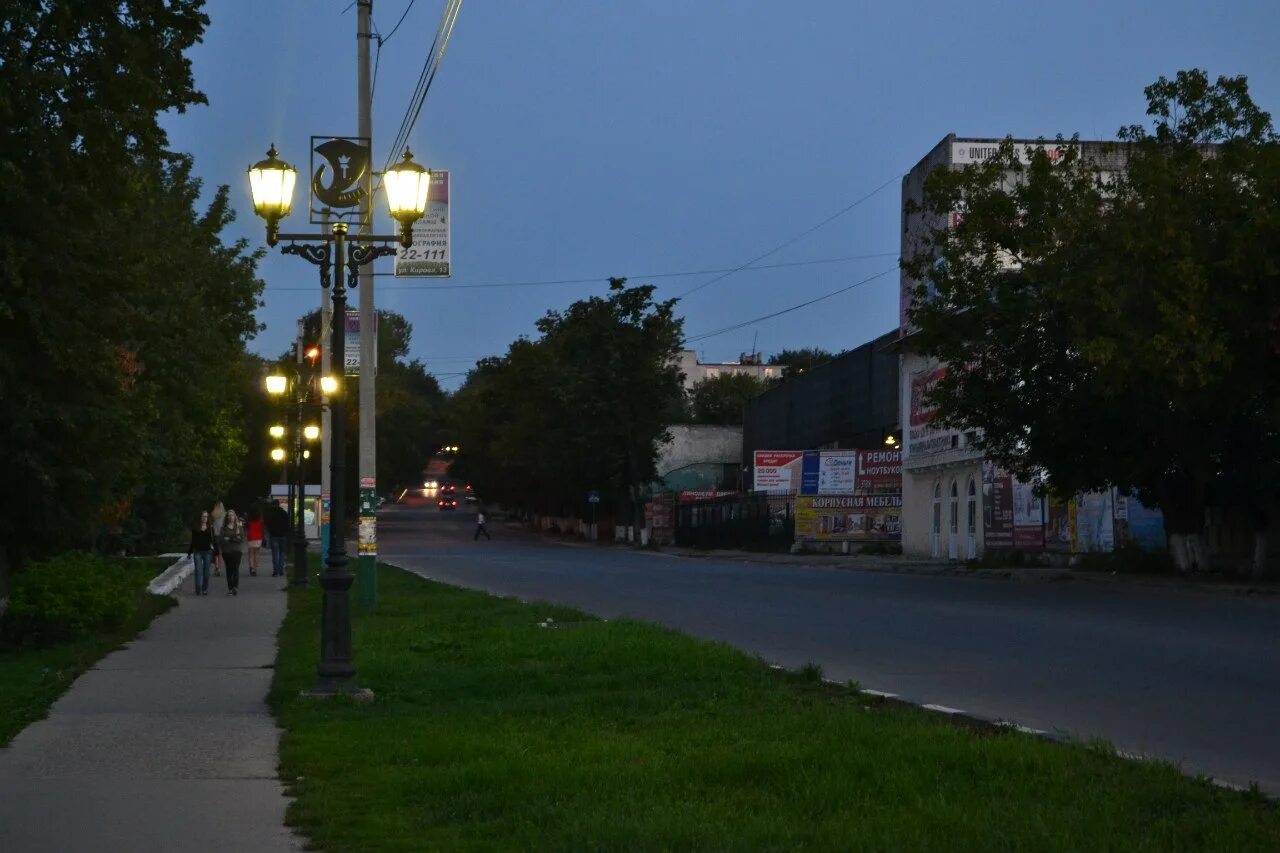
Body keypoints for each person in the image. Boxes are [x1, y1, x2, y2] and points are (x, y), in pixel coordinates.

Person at [218, 509, 246, 596]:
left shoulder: (239, 527)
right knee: (229, 569)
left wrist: (229, 538)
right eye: (229, 515)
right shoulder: (224, 528)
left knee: (236, 568)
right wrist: (235, 537)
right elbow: (221, 540)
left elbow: (241, 539)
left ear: (235, 517)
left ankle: (235, 587)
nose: (231, 517)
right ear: (227, 517)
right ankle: (230, 588)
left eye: (232, 515)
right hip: (226, 552)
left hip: (237, 551)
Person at [187, 511, 214, 596]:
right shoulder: (196, 528)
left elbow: (214, 541)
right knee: (198, 571)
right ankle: (198, 588)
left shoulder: (210, 528)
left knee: (206, 572)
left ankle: (205, 589)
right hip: (197, 552)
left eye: (206, 517)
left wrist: (216, 551)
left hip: (207, 552)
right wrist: (189, 552)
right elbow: (193, 541)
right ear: (200, 517)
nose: (205, 518)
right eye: (203, 516)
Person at [265, 500, 290, 577]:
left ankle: (276, 571)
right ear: (279, 505)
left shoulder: (271, 514)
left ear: (273, 505)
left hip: (274, 536)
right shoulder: (284, 513)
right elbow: (287, 524)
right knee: (282, 553)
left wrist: (270, 532)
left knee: (275, 553)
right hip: (283, 536)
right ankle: (281, 570)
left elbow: (268, 525)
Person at [245, 506, 264, 577]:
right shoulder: (260, 520)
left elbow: (246, 528)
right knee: (257, 554)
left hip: (251, 537)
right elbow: (262, 529)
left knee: (251, 554)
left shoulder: (248, 520)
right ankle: (255, 569)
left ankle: (252, 567)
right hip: (258, 538)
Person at [210, 500, 226, 577]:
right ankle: (219, 568)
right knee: (220, 553)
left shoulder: (213, 514)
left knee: (216, 553)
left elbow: (211, 525)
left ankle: (216, 568)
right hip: (222, 535)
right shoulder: (224, 515)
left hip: (215, 535)